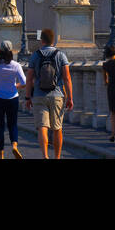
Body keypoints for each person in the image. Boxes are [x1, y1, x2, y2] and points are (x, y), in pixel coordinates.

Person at [25, 28, 73, 159]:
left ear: (42, 40)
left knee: (42, 127)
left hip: (39, 95)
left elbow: (29, 78)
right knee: (57, 128)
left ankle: (45, 155)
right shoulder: (61, 55)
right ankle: (57, 157)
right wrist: (70, 98)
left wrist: (28, 97)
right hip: (57, 95)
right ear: (53, 40)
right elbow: (67, 78)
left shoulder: (35, 55)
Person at [0, 41, 27, 159]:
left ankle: (1, 154)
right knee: (13, 124)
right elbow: (24, 83)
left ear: (0, 51)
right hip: (12, 98)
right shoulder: (16, 65)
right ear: (11, 51)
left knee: (0, 126)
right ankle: (14, 146)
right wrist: (16, 86)